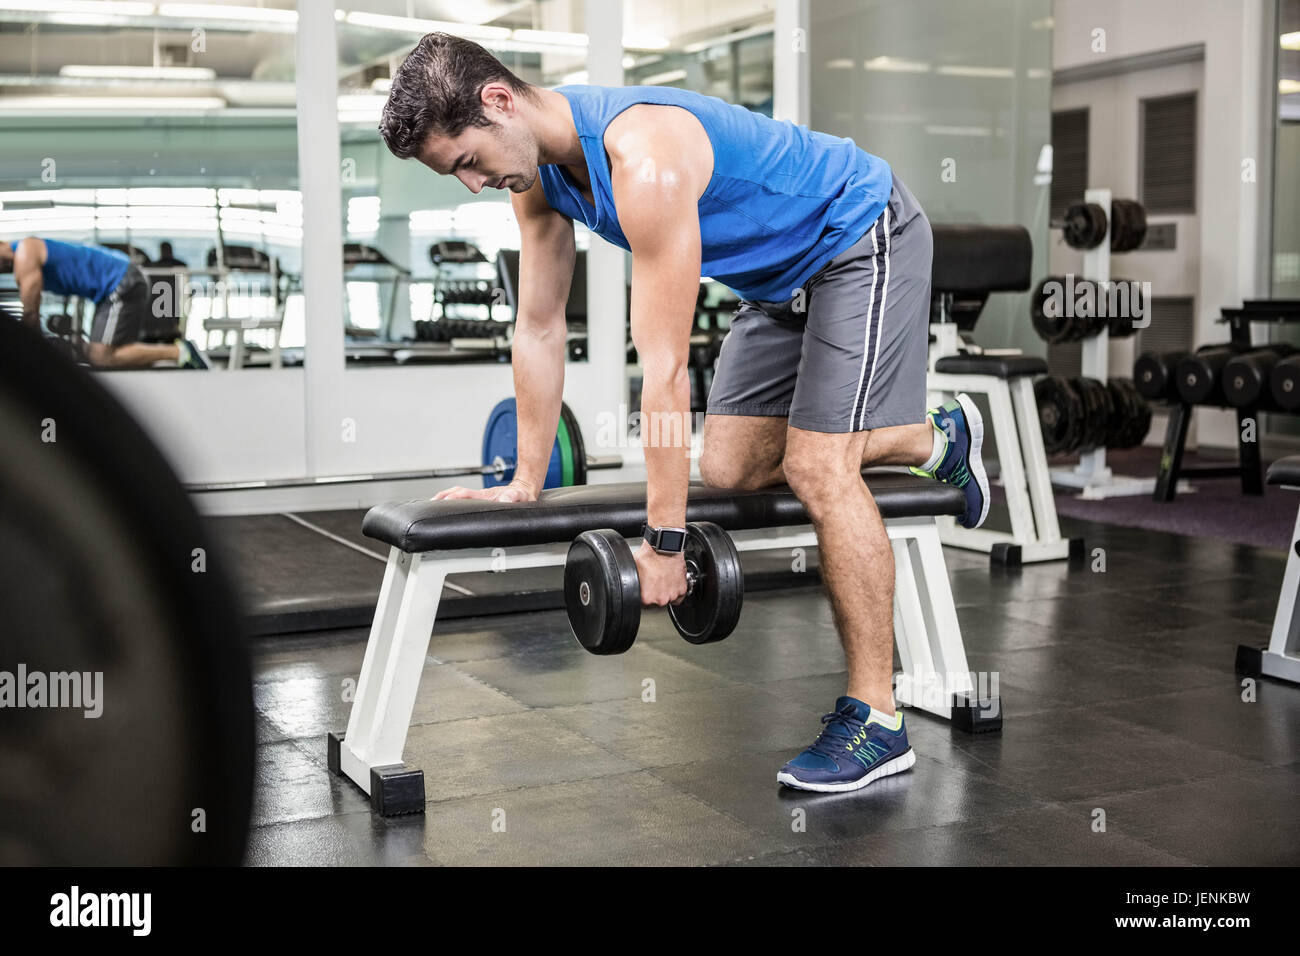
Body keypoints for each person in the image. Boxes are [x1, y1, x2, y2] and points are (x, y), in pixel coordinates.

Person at [378, 34, 990, 794]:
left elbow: (665, 372)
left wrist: (664, 541)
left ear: (499, 102)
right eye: (456, 173)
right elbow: (538, 328)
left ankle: (877, 718)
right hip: (775, 285)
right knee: (730, 470)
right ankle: (935, 436)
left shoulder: (646, 155)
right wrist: (521, 483)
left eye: (466, 160)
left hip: (858, 235)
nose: (472, 184)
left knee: (816, 465)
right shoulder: (534, 181)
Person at [0, 237, 205, 370]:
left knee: (101, 356)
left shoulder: (25, 252)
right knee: (92, 353)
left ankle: (180, 352)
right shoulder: (25, 254)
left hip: (120, 281)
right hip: (111, 288)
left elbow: (30, 314)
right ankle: (175, 354)